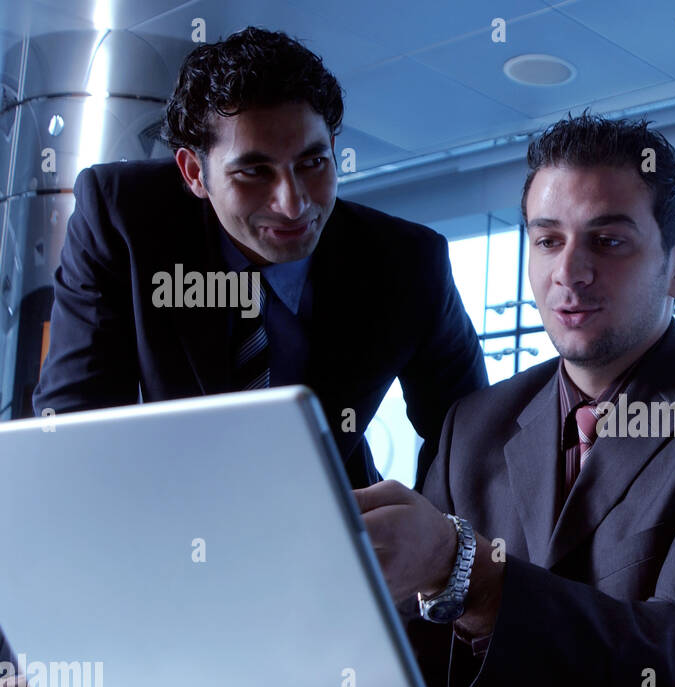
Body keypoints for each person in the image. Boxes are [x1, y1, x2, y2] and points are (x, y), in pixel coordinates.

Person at [356, 114, 675, 687]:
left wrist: (462, 571)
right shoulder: (475, 423)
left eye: (607, 241)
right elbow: (404, 664)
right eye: (547, 241)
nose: (569, 273)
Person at [32, 27, 486, 489]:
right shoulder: (123, 218)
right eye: (254, 171)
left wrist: (435, 543)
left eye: (313, 163)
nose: (293, 205)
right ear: (194, 173)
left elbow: (475, 437)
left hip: (336, 520)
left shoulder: (407, 262)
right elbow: (74, 425)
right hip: (163, 513)